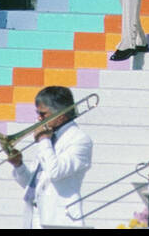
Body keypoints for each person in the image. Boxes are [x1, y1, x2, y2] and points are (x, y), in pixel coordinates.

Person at [9, 85, 93, 228]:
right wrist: (19, 165)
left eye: (43, 114)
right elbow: (33, 185)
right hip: (35, 217)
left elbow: (55, 172)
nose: (39, 118)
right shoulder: (49, 138)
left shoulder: (79, 140)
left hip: (61, 219)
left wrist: (44, 141)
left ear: (60, 116)